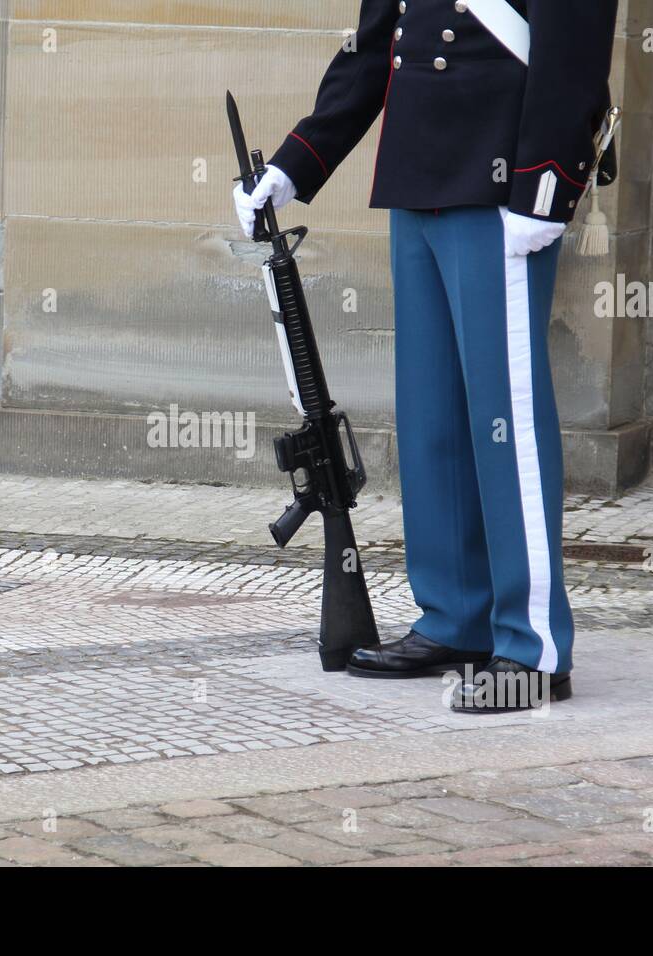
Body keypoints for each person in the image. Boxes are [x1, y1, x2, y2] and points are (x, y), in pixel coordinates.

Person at [233, 0, 618, 711]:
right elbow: (379, 46)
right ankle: (457, 616)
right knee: (431, 417)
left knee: (507, 421)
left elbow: (574, 37)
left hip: (503, 177)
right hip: (419, 172)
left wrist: (545, 185)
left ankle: (533, 647)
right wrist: (297, 160)